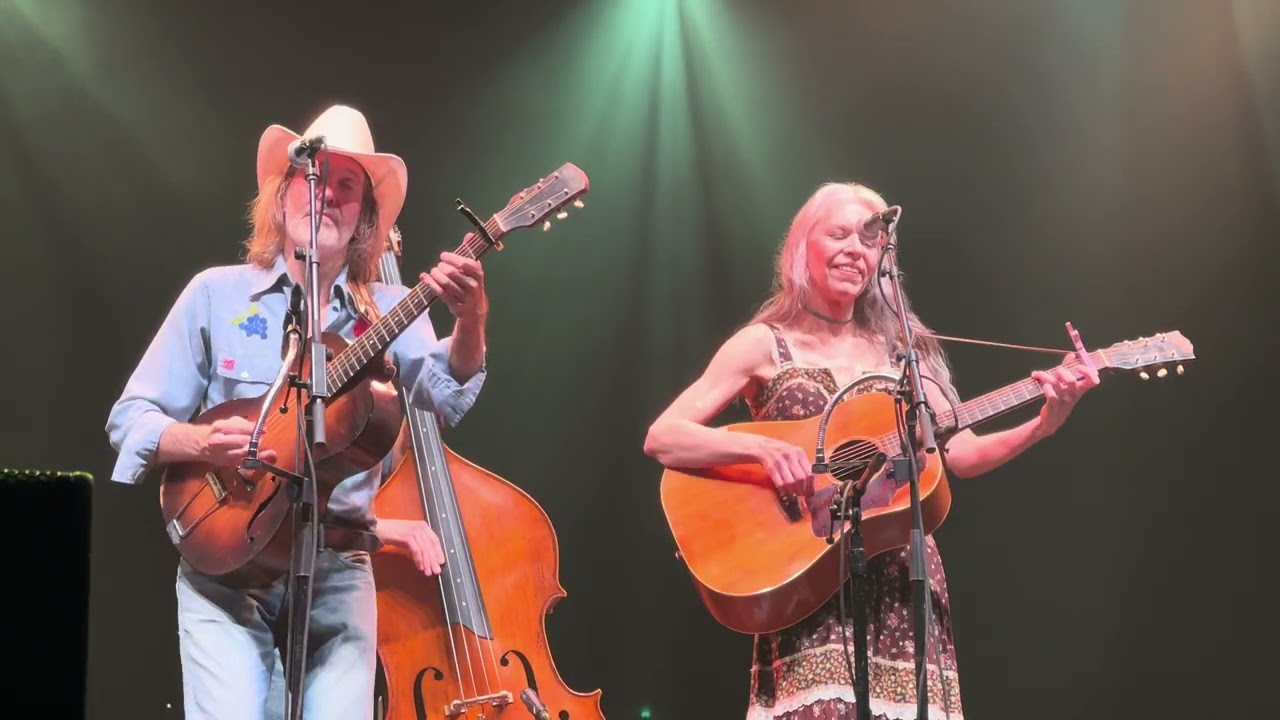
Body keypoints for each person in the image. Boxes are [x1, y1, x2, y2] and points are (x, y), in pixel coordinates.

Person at [643, 181, 1099, 719]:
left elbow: (961, 455)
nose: (854, 251)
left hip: (901, 574)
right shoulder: (764, 343)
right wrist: (762, 448)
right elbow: (664, 436)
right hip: (807, 570)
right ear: (801, 247)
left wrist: (1043, 424)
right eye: (838, 235)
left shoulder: (903, 352)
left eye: (869, 241)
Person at [106, 104, 489, 720]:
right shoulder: (216, 293)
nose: (327, 194)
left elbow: (446, 395)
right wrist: (201, 443)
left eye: (347, 186)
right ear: (282, 197)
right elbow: (131, 418)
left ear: (364, 218)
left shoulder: (391, 308)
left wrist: (470, 322)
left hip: (339, 566)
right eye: (315, 177)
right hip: (227, 567)